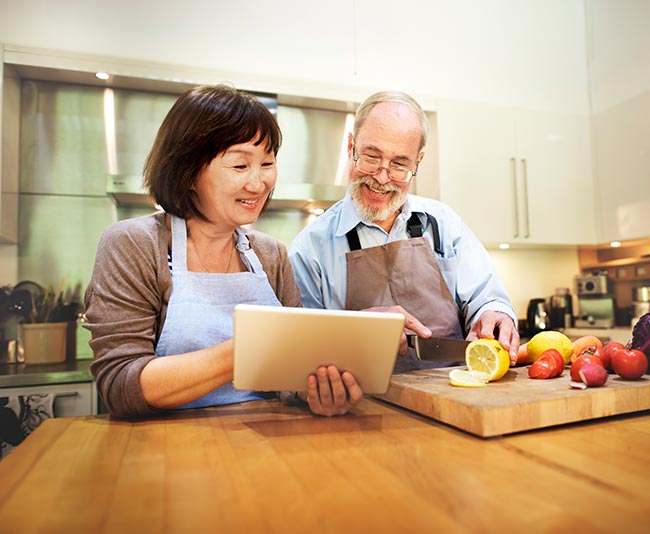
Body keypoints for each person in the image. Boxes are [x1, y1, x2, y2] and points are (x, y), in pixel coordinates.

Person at [84, 85, 354, 419]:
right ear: (189, 171)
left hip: (262, 446)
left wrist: (316, 390)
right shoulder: (133, 245)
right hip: (161, 453)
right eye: (240, 166)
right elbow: (121, 386)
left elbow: (289, 378)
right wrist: (248, 349)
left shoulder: (271, 255)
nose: (258, 183)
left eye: (267, 163)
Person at [289, 91, 520, 379]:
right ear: (351, 146)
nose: (382, 177)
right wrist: (351, 331)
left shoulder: (444, 224)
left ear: (417, 162)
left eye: (399, 164)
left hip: (455, 394)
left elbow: (486, 299)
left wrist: (494, 315)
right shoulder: (310, 249)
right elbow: (299, 352)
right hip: (360, 409)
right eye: (371, 157)